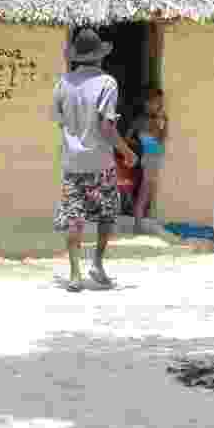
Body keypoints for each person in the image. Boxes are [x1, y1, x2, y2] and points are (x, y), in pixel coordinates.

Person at [51, 28, 137, 291]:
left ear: (76, 57)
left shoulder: (62, 83)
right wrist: (127, 152)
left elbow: (60, 122)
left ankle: (75, 274)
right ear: (100, 56)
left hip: (72, 162)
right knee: (106, 215)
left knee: (74, 218)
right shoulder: (107, 83)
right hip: (101, 162)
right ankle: (97, 264)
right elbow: (107, 128)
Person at [131, 88, 169, 227]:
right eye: (156, 102)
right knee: (145, 192)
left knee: (146, 191)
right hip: (151, 158)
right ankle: (137, 224)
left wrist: (141, 142)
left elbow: (129, 138)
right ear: (147, 103)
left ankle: (139, 222)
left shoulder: (142, 120)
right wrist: (163, 123)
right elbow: (159, 138)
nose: (159, 105)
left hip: (149, 157)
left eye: (160, 102)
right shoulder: (148, 121)